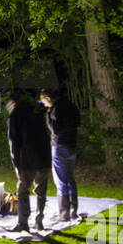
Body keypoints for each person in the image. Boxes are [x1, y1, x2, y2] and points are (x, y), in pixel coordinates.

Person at [7, 91, 52, 231]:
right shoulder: (37, 114)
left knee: (23, 190)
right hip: (44, 157)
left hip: (27, 159)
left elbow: (14, 142)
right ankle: (39, 221)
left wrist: (16, 164)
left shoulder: (14, 116)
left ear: (12, 104)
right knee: (41, 191)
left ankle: (23, 223)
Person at [40, 86, 81, 221]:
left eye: (44, 102)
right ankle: (74, 211)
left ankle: (64, 214)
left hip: (59, 146)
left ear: (48, 98)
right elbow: (77, 123)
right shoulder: (71, 105)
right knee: (70, 177)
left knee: (61, 180)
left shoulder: (55, 109)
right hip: (72, 145)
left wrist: (48, 116)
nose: (44, 105)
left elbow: (55, 130)